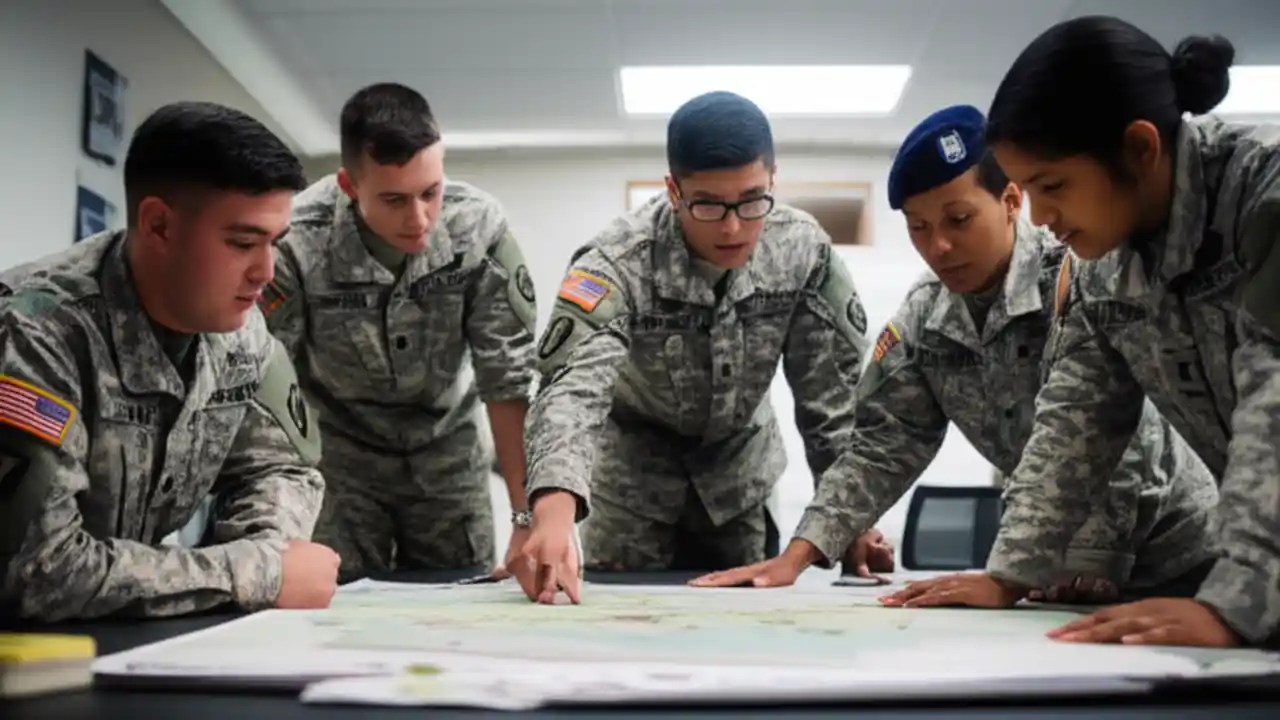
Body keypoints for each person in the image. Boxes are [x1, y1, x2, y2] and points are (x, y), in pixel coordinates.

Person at [691, 105, 1220, 601]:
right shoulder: (925, 320)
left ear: (1012, 202)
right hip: (1057, 570)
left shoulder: (1081, 275)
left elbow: (1116, 436)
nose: (938, 245)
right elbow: (881, 448)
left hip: (1181, 557)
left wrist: (1081, 564)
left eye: (958, 220)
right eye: (918, 228)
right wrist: (799, 554)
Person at [904, 16, 1278, 647]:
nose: (1042, 217)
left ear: (1140, 148)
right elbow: (1074, 420)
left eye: (1053, 187)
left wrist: (1236, 600)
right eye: (1028, 191)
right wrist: (1011, 572)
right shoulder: (1098, 263)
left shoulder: (1263, 206)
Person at [512, 91, 885, 604]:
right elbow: (572, 389)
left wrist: (850, 520)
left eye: (752, 200)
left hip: (740, 485)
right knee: (623, 635)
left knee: (742, 639)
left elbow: (833, 407)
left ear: (774, 179)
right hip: (631, 492)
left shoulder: (804, 252)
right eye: (707, 204)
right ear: (673, 190)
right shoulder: (619, 261)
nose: (733, 225)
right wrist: (553, 505)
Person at [0, 101, 335, 622]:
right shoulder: (35, 333)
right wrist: (254, 572)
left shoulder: (243, 332)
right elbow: (38, 570)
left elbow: (282, 467)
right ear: (158, 225)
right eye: (243, 242)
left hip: (128, 647)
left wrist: (266, 545)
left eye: (275, 244)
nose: (265, 272)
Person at [259, 83, 538, 582]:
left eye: (431, 193)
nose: (419, 218)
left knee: (457, 607)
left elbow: (508, 378)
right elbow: (273, 381)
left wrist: (524, 518)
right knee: (335, 609)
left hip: (446, 454)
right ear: (349, 185)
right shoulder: (295, 239)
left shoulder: (479, 227)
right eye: (394, 200)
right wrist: (279, 519)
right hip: (338, 457)